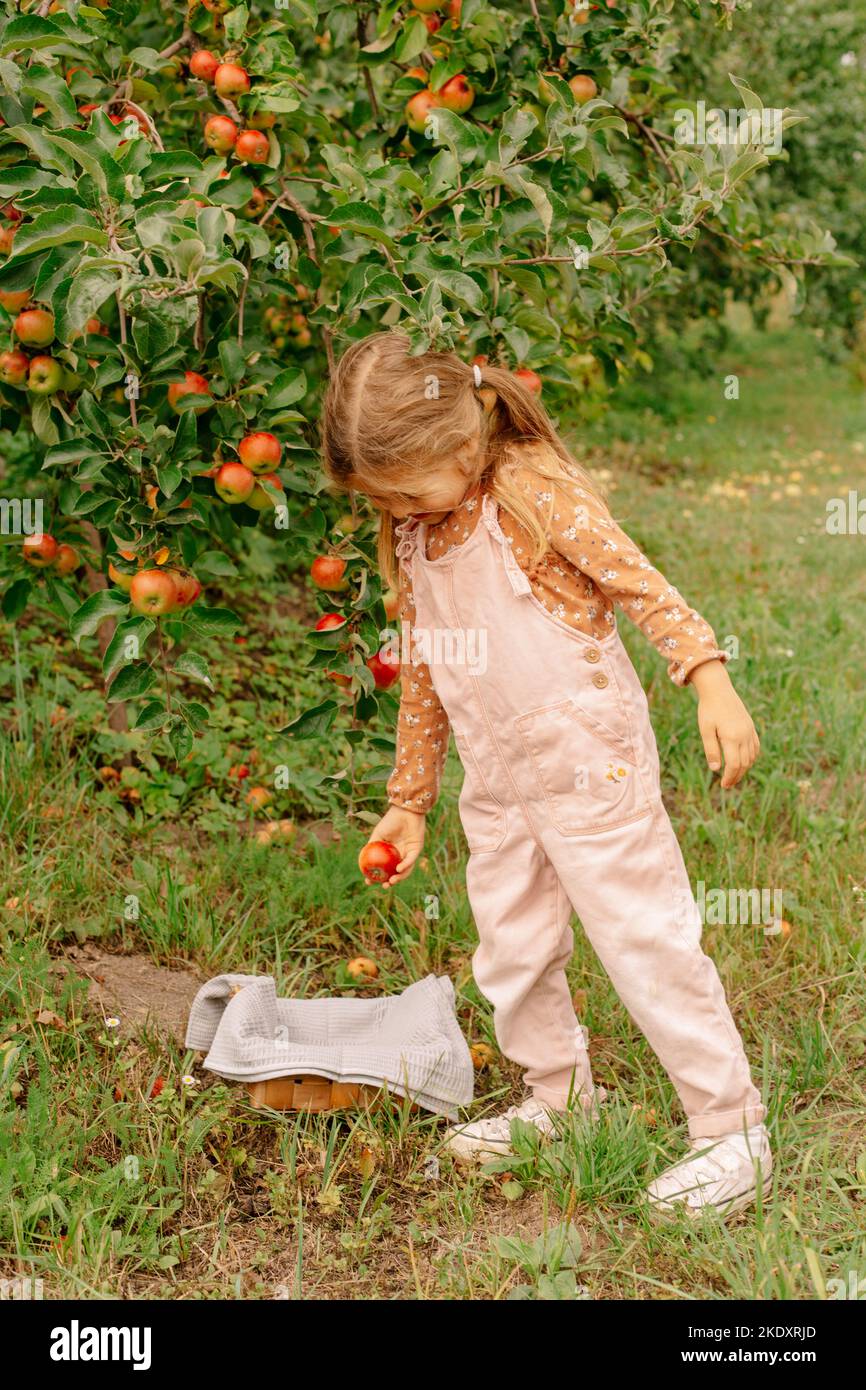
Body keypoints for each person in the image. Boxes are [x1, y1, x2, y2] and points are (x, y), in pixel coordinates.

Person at [320, 331, 771, 1217]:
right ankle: (561, 1101)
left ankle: (731, 1129)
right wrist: (408, 802)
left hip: (587, 764)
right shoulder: (415, 536)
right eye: (384, 500)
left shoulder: (532, 496)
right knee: (513, 951)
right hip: (500, 781)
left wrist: (708, 677)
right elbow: (423, 669)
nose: (399, 511)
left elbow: (641, 585)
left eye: (407, 490)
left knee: (647, 940)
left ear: (458, 448)